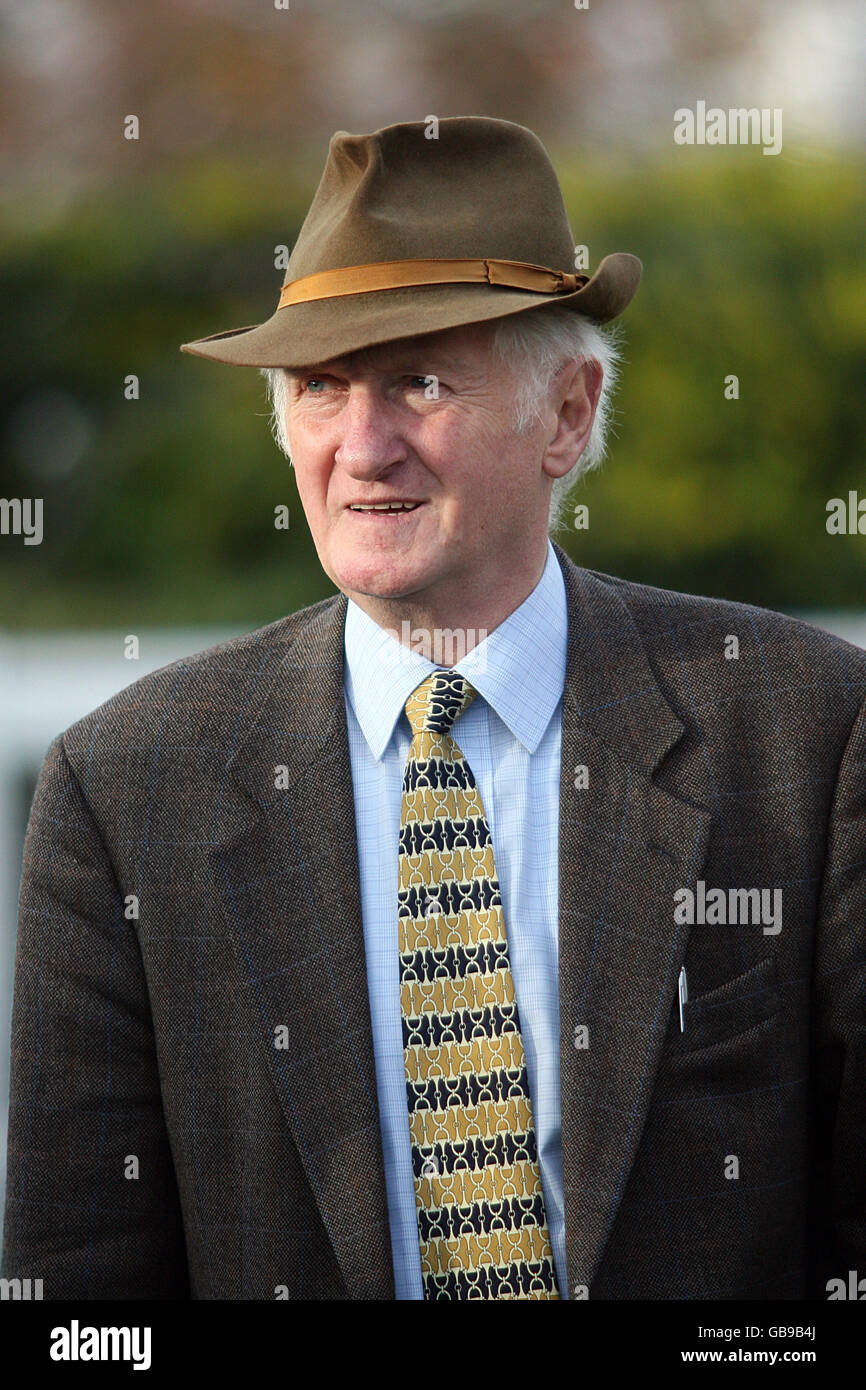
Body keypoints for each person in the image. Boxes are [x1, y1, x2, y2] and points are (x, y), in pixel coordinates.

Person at [2, 116, 864, 1301]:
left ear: (566, 413)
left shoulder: (805, 728)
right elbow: (77, 1295)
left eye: (417, 380)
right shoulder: (126, 782)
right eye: (318, 387)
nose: (363, 448)